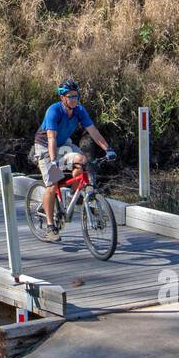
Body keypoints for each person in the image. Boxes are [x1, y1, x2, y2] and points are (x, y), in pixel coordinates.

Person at [31, 78, 112, 238]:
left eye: (76, 96)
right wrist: (53, 162)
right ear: (63, 98)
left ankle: (80, 195)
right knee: (52, 185)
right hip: (46, 146)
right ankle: (49, 225)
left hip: (64, 144)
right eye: (71, 96)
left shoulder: (79, 110)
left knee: (82, 161)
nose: (74, 99)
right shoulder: (53, 111)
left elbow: (93, 131)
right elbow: (51, 138)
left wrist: (108, 149)